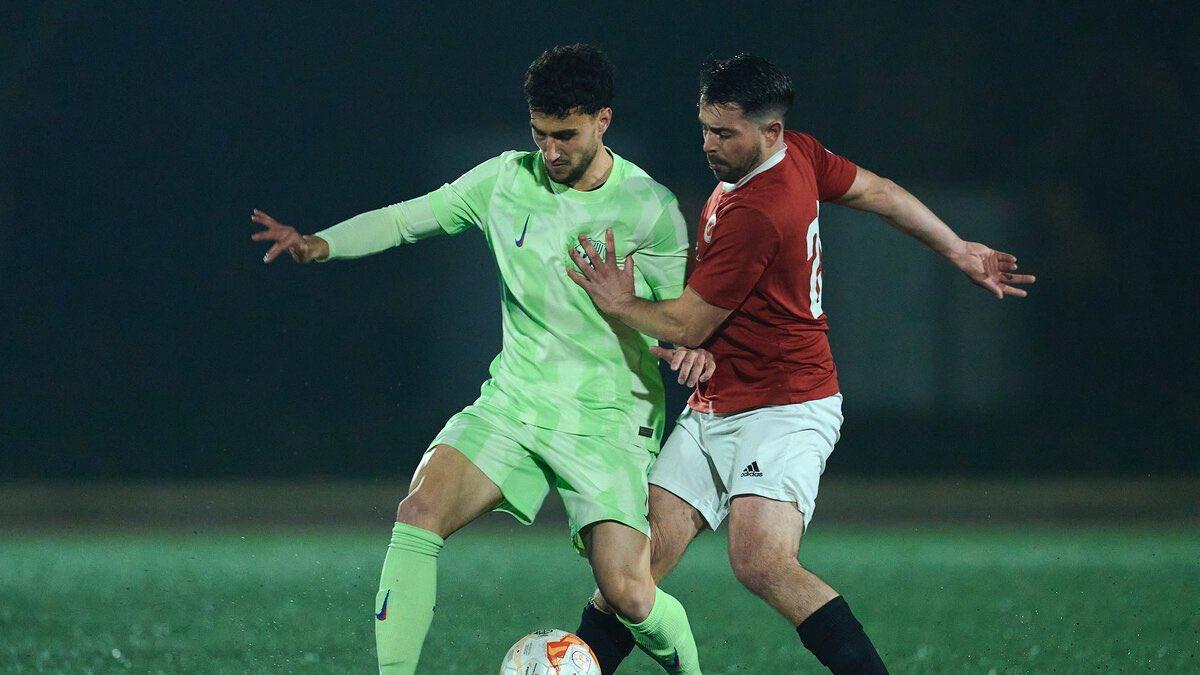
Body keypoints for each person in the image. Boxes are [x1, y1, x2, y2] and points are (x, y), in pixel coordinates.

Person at [569, 54, 1035, 674]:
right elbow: (881, 193)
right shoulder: (800, 155)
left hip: (784, 406)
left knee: (762, 562)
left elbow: (687, 321)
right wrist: (958, 248)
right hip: (720, 400)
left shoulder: (760, 211)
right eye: (705, 127)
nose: (709, 144)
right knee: (634, 567)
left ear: (770, 132)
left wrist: (620, 301)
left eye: (724, 133)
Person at [251, 44, 707, 674]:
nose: (550, 152)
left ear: (604, 120)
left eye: (566, 135)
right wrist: (322, 243)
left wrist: (670, 337)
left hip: (608, 418)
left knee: (628, 593)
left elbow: (680, 319)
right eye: (540, 135)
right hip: (515, 403)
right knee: (419, 512)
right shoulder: (503, 181)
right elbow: (411, 218)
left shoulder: (649, 208)